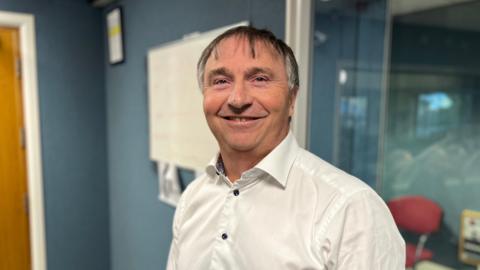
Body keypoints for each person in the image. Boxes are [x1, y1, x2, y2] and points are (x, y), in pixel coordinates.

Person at [166, 26, 405, 270]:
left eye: (259, 79)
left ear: (291, 100)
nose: (237, 99)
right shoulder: (192, 198)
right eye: (220, 81)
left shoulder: (352, 211)